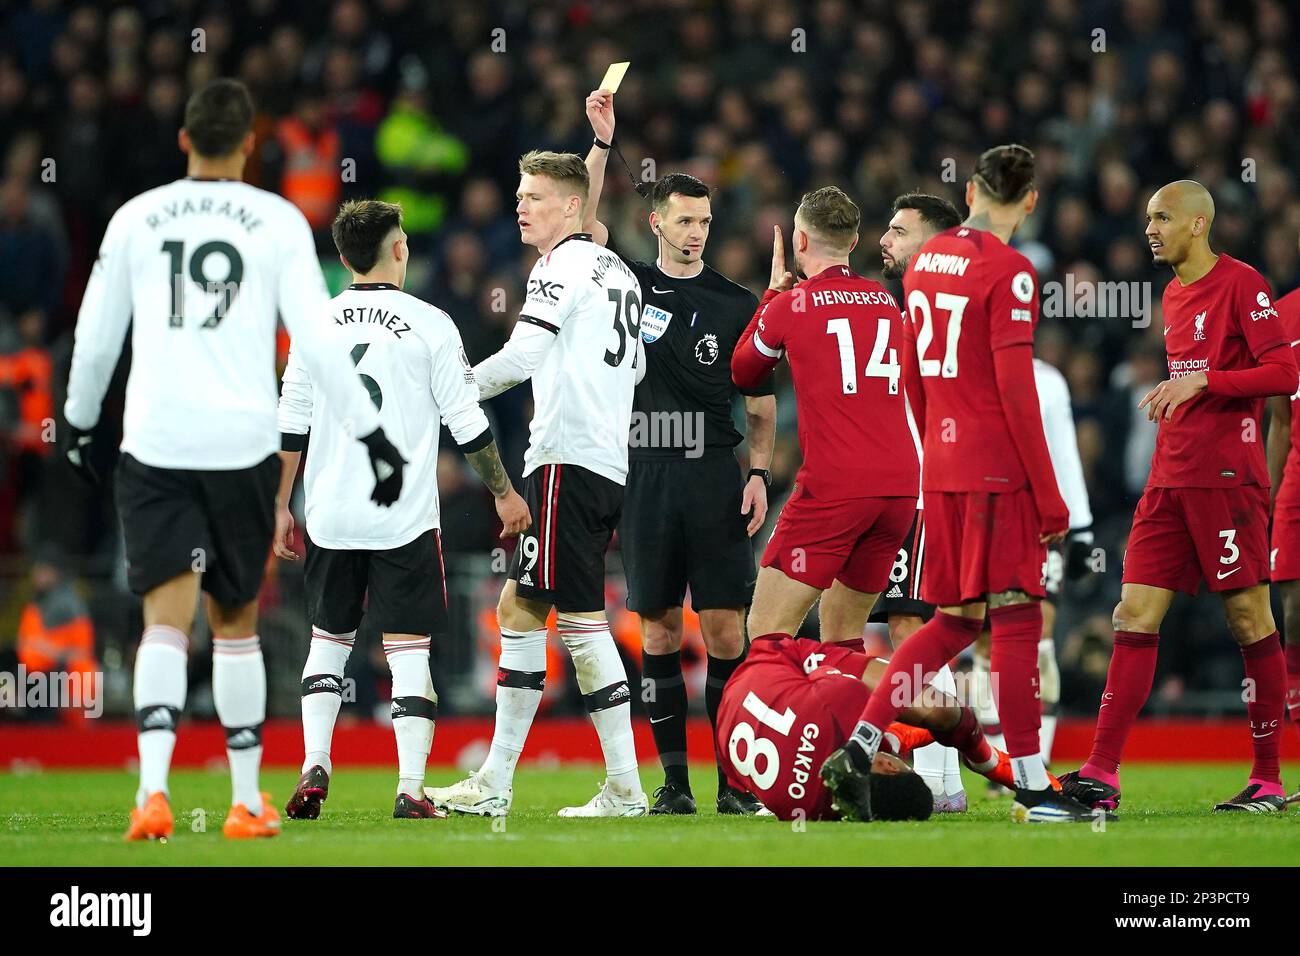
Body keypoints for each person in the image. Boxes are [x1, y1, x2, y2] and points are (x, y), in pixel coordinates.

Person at [62, 79, 408, 842]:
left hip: (156, 443)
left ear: (184, 140)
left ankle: (151, 793)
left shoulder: (136, 218)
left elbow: (95, 337)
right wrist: (372, 436)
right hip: (243, 447)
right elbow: (317, 343)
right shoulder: (277, 220)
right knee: (236, 620)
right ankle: (246, 801)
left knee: (163, 619)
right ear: (251, 145)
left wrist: (80, 424)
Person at [820, 145, 1093, 824]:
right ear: (1030, 201)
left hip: (940, 473)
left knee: (953, 623)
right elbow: (1015, 391)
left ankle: (857, 746)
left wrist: (937, 446)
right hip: (996, 474)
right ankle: (1033, 786)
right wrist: (1049, 495)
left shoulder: (925, 267)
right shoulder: (1013, 271)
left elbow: (913, 380)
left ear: (971, 191)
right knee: (1020, 623)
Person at [274, 199, 530, 821]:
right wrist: (502, 490)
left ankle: (314, 762)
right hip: (404, 516)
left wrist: (280, 505)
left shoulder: (315, 323)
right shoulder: (432, 323)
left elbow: (291, 422)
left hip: (330, 512)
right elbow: (468, 424)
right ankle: (411, 787)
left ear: (342, 259)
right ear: (397, 251)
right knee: (409, 650)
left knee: (328, 640)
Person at [1062, 180, 1297, 814]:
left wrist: (1203, 384)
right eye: (1147, 218)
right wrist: (1187, 390)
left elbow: (1284, 372)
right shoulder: (1171, 293)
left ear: (1198, 225)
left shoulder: (1243, 284)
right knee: (1131, 615)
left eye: (1162, 217)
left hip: (1226, 482)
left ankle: (1268, 779)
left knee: (1250, 620)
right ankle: (1102, 773)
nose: (1150, 228)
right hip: (1167, 481)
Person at [426, 150, 649, 817]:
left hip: (564, 463)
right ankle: (496, 781)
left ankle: (624, 788)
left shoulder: (558, 266)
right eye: (519, 195)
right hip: (605, 461)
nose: (520, 205)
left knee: (580, 624)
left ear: (572, 207)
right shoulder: (621, 273)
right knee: (519, 611)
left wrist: (451, 389)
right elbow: (632, 372)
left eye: (535, 197)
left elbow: (523, 357)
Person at [581, 89, 777, 815]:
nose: (696, 232)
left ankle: (734, 784)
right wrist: (601, 145)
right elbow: (582, 226)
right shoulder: (626, 282)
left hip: (710, 473)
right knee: (658, 626)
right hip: (646, 470)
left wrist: (759, 471)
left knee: (725, 627)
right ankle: (674, 785)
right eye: (684, 220)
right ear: (656, 221)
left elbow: (760, 397)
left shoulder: (735, 302)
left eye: (704, 220)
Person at [731, 186, 919, 707]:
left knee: (766, 637)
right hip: (900, 490)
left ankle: (924, 702)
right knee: (842, 641)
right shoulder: (891, 303)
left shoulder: (793, 303)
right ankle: (867, 753)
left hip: (836, 487)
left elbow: (744, 369)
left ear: (801, 239)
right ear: (856, 240)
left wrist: (770, 295)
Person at [717, 633, 1036, 821]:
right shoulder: (812, 810)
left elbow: (897, 723)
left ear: (887, 767)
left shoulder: (842, 709)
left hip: (770, 660)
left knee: (916, 696)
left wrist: (969, 738)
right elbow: (893, 742)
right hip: (727, 735)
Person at [870, 192, 967, 810]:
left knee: (914, 627)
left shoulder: (936, 315)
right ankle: (945, 778)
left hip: (928, 490)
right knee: (917, 628)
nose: (886, 238)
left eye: (899, 231)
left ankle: (941, 781)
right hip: (901, 489)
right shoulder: (905, 310)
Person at [970, 357, 1095, 773]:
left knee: (1038, 636)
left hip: (1044, 526)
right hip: (978, 520)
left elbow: (1064, 452)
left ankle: (1038, 755)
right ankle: (996, 757)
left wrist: (1082, 527)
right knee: (984, 642)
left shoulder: (1048, 379)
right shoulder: (963, 370)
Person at [1265, 265, 1300, 804]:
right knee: (1292, 612)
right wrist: (1263, 501)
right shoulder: (1284, 310)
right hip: (1297, 477)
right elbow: (1279, 418)